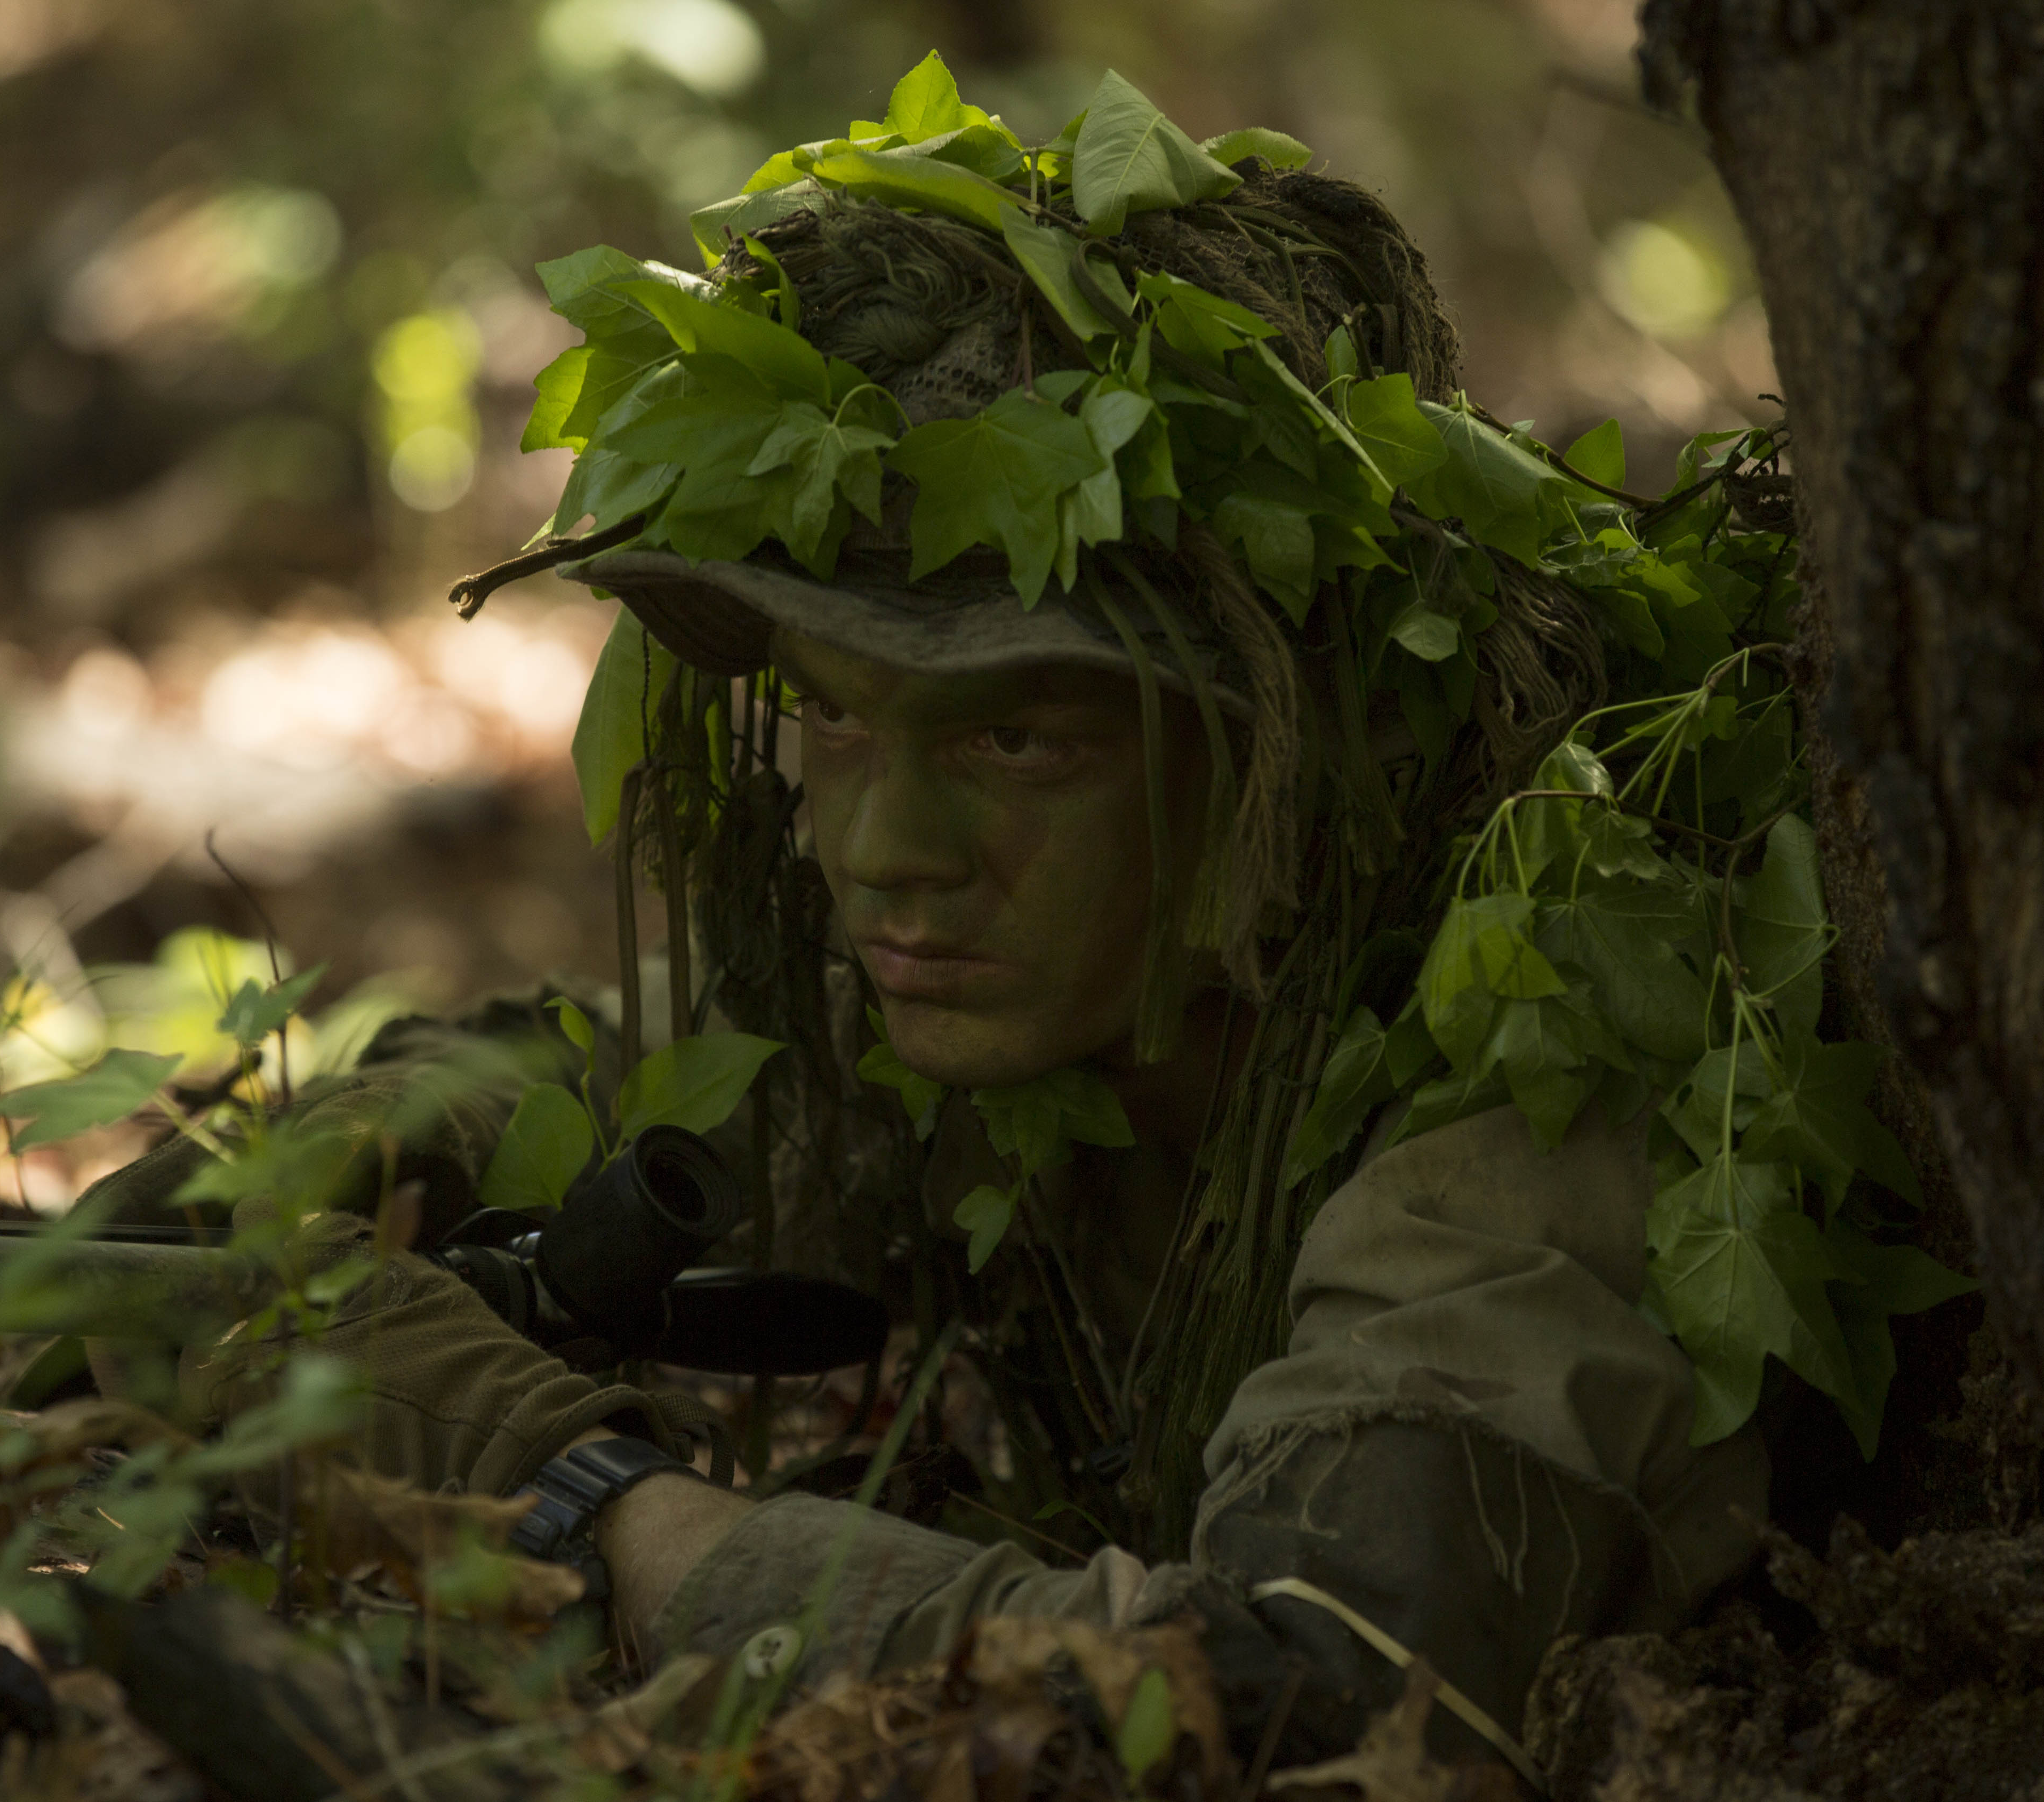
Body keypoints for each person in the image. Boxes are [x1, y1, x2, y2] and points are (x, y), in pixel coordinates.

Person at [95, 62, 1910, 1780]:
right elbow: (676, 1068)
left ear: (1290, 749)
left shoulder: (1528, 1099)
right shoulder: (1041, 975)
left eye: (1020, 735)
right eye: (828, 711)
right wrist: (318, 1167)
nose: (887, 847)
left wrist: (562, 1498)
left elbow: (1293, 1704)